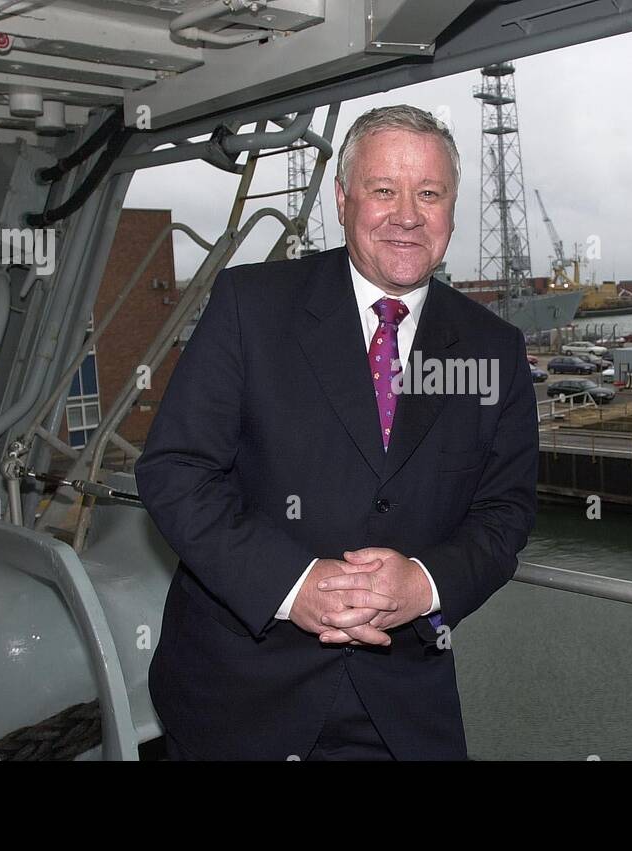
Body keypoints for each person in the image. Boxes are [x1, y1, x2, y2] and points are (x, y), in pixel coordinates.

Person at [135, 104, 538, 760]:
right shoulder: (249, 306)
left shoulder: (495, 350)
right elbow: (174, 470)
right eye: (384, 190)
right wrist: (293, 586)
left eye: (428, 194)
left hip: (402, 708)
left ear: (452, 212)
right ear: (344, 198)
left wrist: (425, 584)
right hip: (236, 700)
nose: (407, 214)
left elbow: (506, 513)